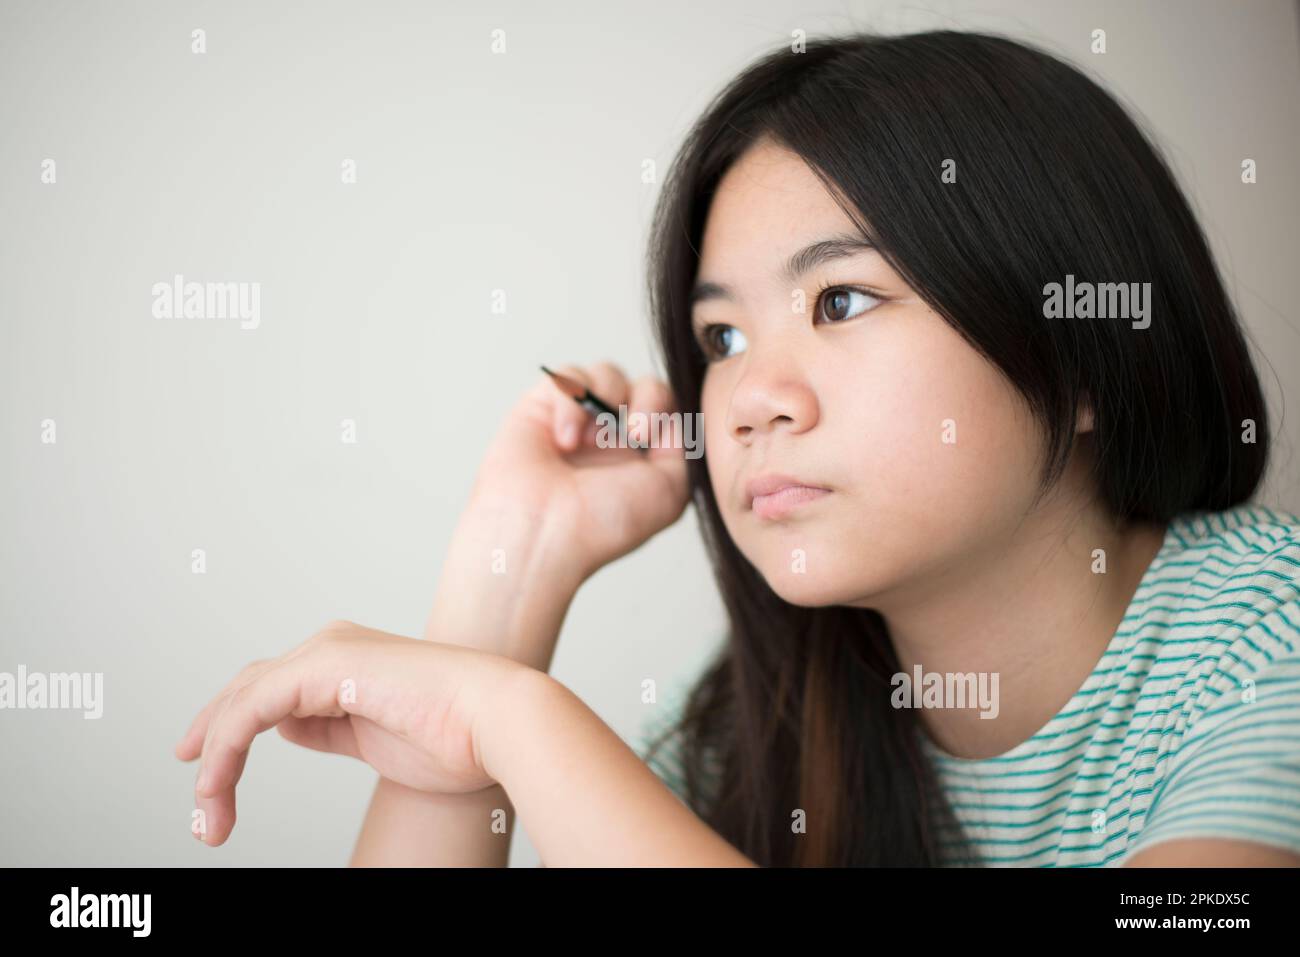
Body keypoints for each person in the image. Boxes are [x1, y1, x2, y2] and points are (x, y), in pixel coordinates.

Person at [177, 30, 1300, 867]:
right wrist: (502, 586)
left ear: (1080, 351)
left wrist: (509, 720)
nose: (751, 397)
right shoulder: (747, 733)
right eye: (720, 335)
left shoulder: (1267, 636)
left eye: (843, 301)